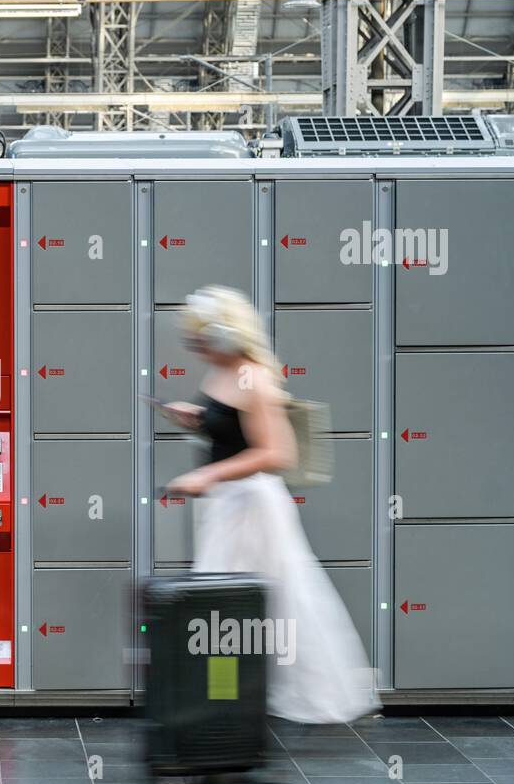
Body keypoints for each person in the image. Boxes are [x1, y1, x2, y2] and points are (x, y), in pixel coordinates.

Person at [160, 285, 376, 726]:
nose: (195, 347)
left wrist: (208, 474)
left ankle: (235, 703)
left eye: (201, 338)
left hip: (252, 508)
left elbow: (278, 453)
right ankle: (227, 700)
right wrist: (199, 419)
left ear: (224, 335)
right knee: (238, 606)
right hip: (230, 506)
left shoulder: (253, 378)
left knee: (249, 606)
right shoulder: (221, 371)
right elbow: (233, 428)